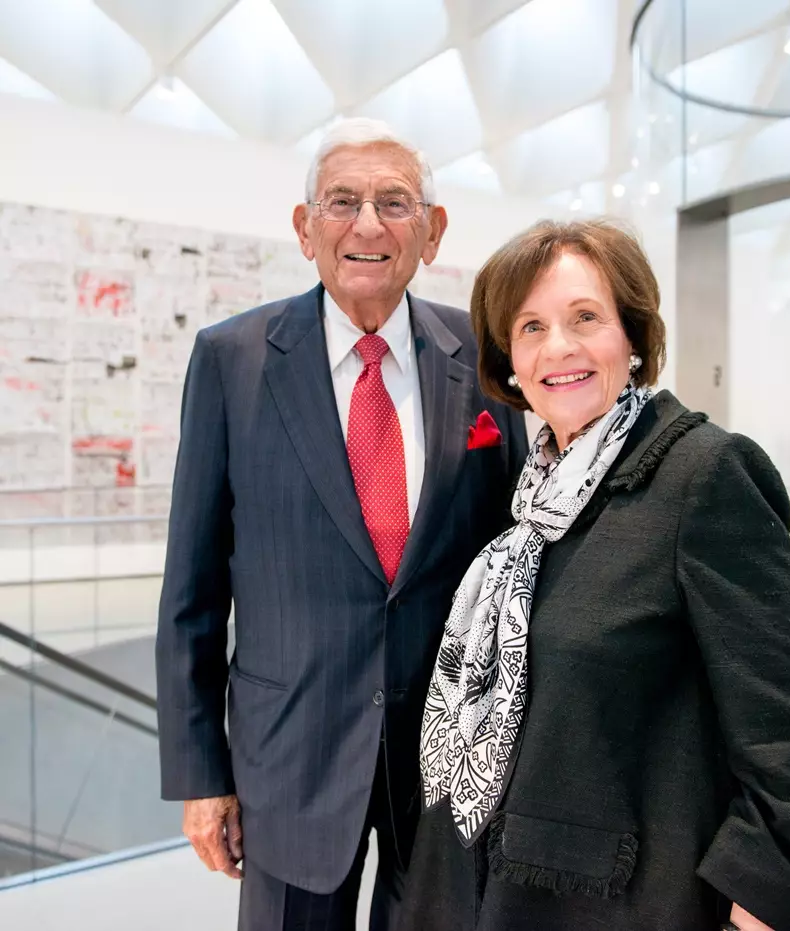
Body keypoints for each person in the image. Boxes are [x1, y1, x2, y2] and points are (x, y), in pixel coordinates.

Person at [399, 219, 790, 931]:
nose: (559, 347)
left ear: (632, 338)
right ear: (509, 359)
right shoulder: (534, 499)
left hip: (624, 900)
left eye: (585, 318)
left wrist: (758, 910)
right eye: (531, 326)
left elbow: (786, 743)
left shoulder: (703, 474)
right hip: (493, 890)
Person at [155, 118, 529, 931]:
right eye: (343, 201)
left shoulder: (484, 357)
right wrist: (200, 773)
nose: (368, 224)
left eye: (396, 203)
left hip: (443, 764)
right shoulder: (233, 359)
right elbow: (192, 587)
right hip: (288, 757)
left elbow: (514, 566)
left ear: (431, 232)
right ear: (305, 228)